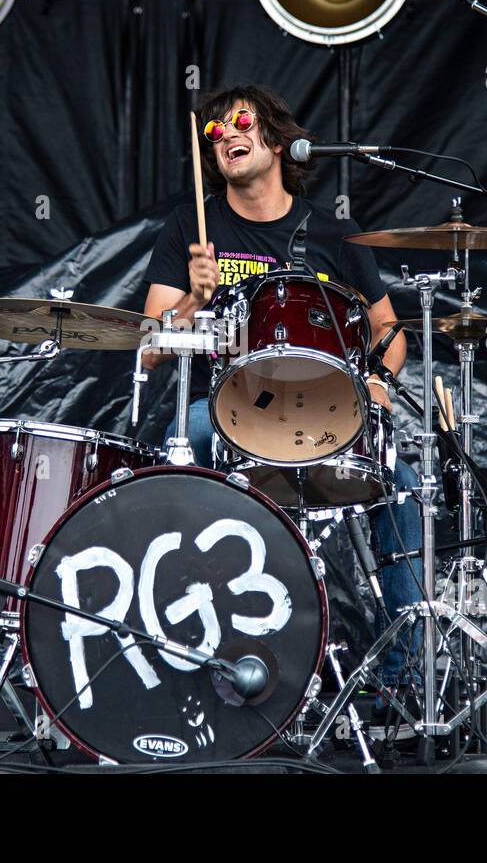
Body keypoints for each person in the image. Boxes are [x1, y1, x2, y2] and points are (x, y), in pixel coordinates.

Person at [141, 84, 423, 695]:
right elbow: (150, 345)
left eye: (240, 122)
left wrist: (381, 379)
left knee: (401, 481)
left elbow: (388, 328)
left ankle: (402, 680)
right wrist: (194, 298)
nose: (227, 136)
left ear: (274, 136)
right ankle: (183, 660)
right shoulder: (194, 228)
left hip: (327, 404)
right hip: (227, 405)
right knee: (177, 443)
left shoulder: (333, 232)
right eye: (213, 133)